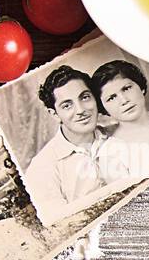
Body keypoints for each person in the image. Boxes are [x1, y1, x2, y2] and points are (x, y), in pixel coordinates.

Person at [21, 66, 116, 227]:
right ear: (54, 114)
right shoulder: (41, 168)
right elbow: (62, 227)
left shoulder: (119, 134)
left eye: (85, 97)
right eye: (67, 105)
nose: (80, 110)